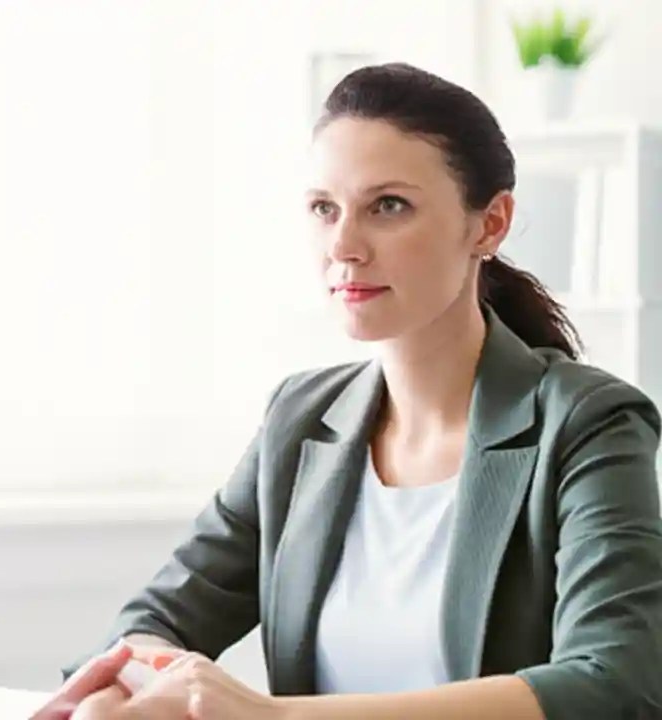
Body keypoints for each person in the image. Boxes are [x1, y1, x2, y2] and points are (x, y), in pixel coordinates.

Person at [63, 63, 662, 719]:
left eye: (388, 206)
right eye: (325, 209)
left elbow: (614, 683)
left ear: (490, 225)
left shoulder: (587, 422)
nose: (343, 246)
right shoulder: (300, 417)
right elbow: (158, 619)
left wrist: (276, 717)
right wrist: (129, 689)